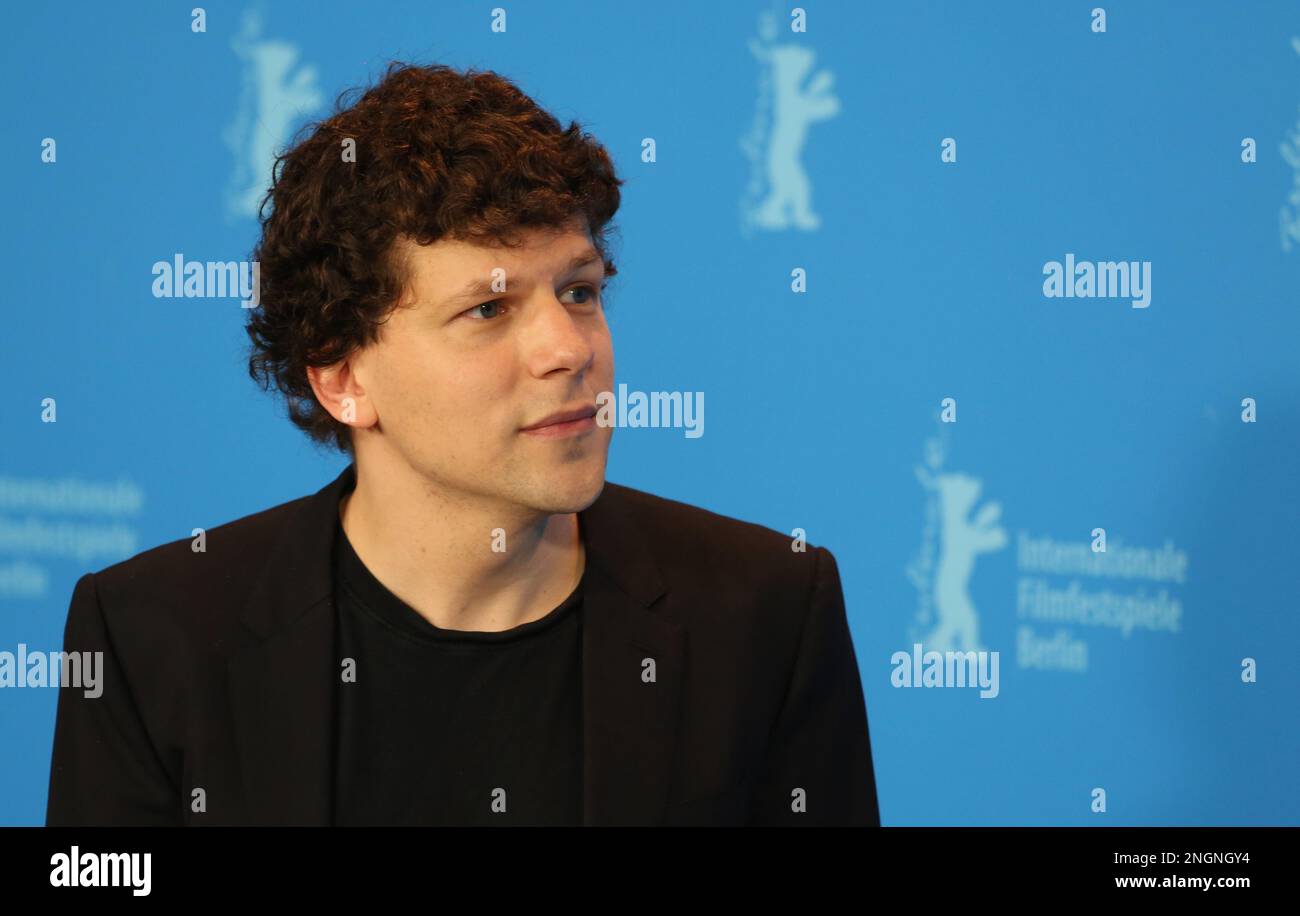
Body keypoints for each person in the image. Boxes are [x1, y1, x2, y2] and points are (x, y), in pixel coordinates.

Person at [45, 62, 879, 826]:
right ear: (343, 378)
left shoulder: (767, 614)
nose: (570, 348)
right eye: (488, 309)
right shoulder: (154, 638)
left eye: (580, 291)